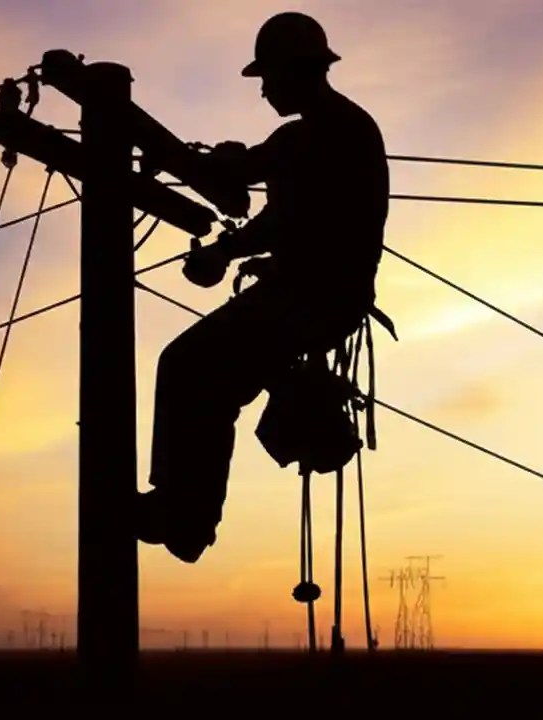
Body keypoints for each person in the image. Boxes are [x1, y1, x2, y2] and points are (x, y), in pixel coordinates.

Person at [136, 11, 390, 563]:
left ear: (293, 70)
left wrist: (222, 240)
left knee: (186, 364)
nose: (264, 90)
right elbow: (279, 200)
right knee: (210, 378)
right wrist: (228, 207)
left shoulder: (324, 133)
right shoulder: (330, 130)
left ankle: (184, 514)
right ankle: (185, 512)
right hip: (316, 296)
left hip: (312, 298)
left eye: (268, 77)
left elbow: (281, 212)